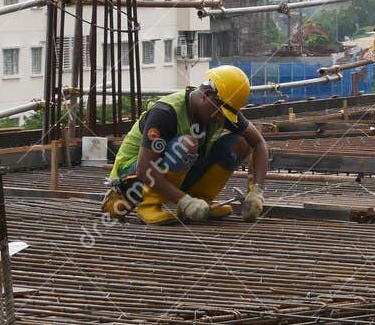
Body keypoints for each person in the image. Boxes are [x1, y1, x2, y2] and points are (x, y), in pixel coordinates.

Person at [102, 65, 269, 224]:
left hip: (172, 176)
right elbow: (143, 168)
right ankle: (149, 206)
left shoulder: (221, 109)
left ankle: (200, 202)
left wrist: (257, 191)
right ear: (207, 95)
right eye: (220, 113)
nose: (221, 119)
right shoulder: (166, 112)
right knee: (187, 144)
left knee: (241, 142)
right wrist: (184, 201)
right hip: (134, 177)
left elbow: (258, 143)